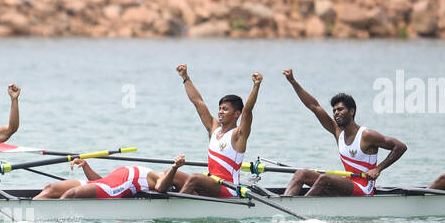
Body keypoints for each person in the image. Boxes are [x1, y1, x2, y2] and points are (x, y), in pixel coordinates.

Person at [281, 70, 409, 196]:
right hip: (348, 184)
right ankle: (285, 202)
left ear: (351, 111)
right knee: (301, 173)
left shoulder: (367, 135)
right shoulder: (337, 132)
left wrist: (378, 169)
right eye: (334, 110)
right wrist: (293, 82)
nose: (336, 112)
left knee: (325, 179)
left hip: (364, 188)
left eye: (340, 109)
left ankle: (300, 208)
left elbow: (400, 147)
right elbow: (314, 106)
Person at [173, 66, 262, 197]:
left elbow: (248, 111)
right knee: (174, 174)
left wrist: (256, 86)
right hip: (212, 183)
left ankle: (176, 208)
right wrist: (185, 77)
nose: (220, 112)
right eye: (220, 108)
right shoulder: (213, 128)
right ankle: (171, 201)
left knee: (194, 179)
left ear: (237, 114)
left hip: (229, 188)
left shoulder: (238, 135)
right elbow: (198, 102)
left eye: (225, 109)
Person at [34, 155, 189, 199]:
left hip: (112, 191)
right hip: (102, 183)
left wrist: (175, 168)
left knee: (71, 194)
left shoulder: (159, 180)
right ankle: (33, 210)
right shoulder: (154, 172)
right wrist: (86, 166)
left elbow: (161, 188)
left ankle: (49, 218)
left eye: (172, 173)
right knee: (51, 188)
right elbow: (101, 181)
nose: (168, 169)